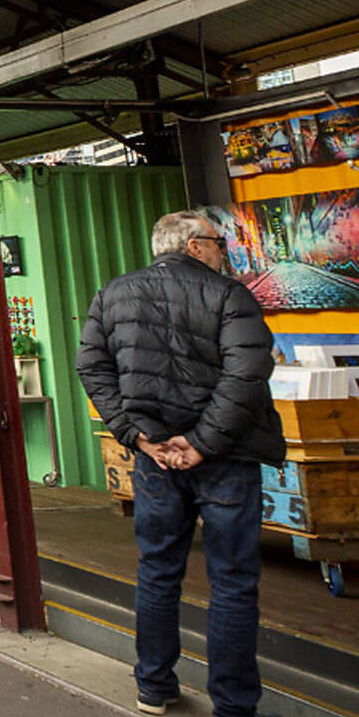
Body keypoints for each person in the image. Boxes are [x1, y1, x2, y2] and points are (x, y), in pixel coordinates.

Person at [77, 210, 284, 717]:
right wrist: (203, 442)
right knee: (233, 581)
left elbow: (91, 365)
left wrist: (136, 434)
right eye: (218, 242)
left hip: (156, 461)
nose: (223, 251)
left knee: (158, 571)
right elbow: (248, 372)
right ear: (195, 247)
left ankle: (153, 687)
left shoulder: (114, 293)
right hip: (226, 459)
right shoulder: (229, 295)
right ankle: (234, 704)